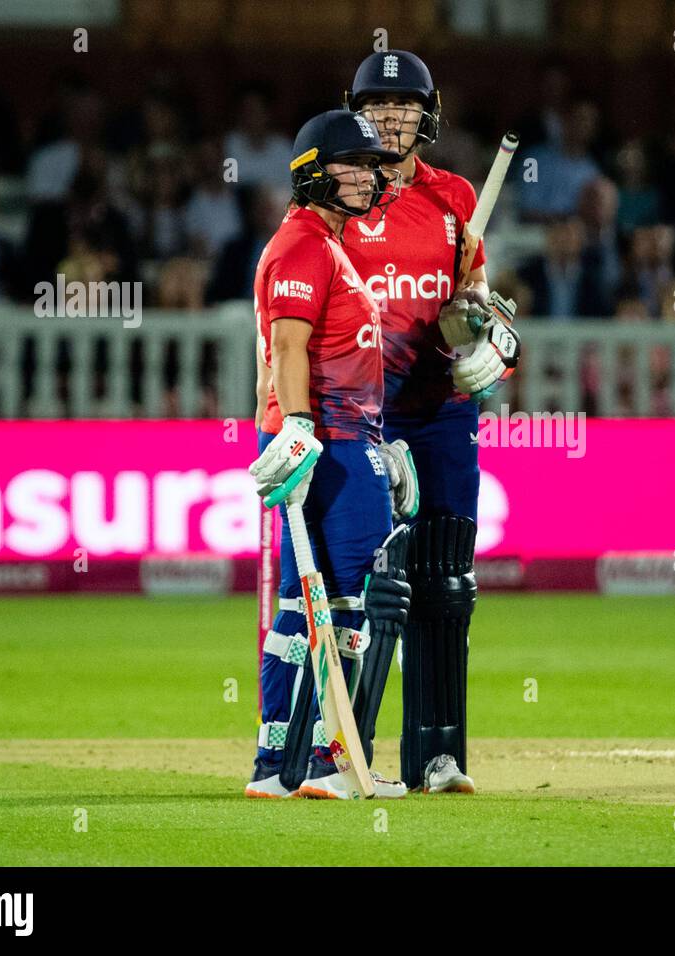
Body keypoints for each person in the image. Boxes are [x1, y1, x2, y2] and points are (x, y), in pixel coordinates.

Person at [342, 49, 523, 794]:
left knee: (446, 583)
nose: (390, 119)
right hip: (361, 416)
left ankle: (439, 755)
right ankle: (347, 753)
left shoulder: (454, 199)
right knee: (369, 585)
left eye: (403, 106)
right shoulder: (340, 197)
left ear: (427, 115)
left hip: (443, 416)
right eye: (377, 106)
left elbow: (487, 310)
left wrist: (487, 344)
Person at [244, 109, 414, 800]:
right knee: (355, 596)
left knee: (299, 603)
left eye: (376, 166)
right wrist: (302, 430)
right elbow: (287, 347)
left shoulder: (322, 242)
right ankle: (329, 761)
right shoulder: (304, 245)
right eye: (356, 164)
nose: (371, 177)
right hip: (329, 441)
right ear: (315, 172)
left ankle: (275, 765)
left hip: (340, 437)